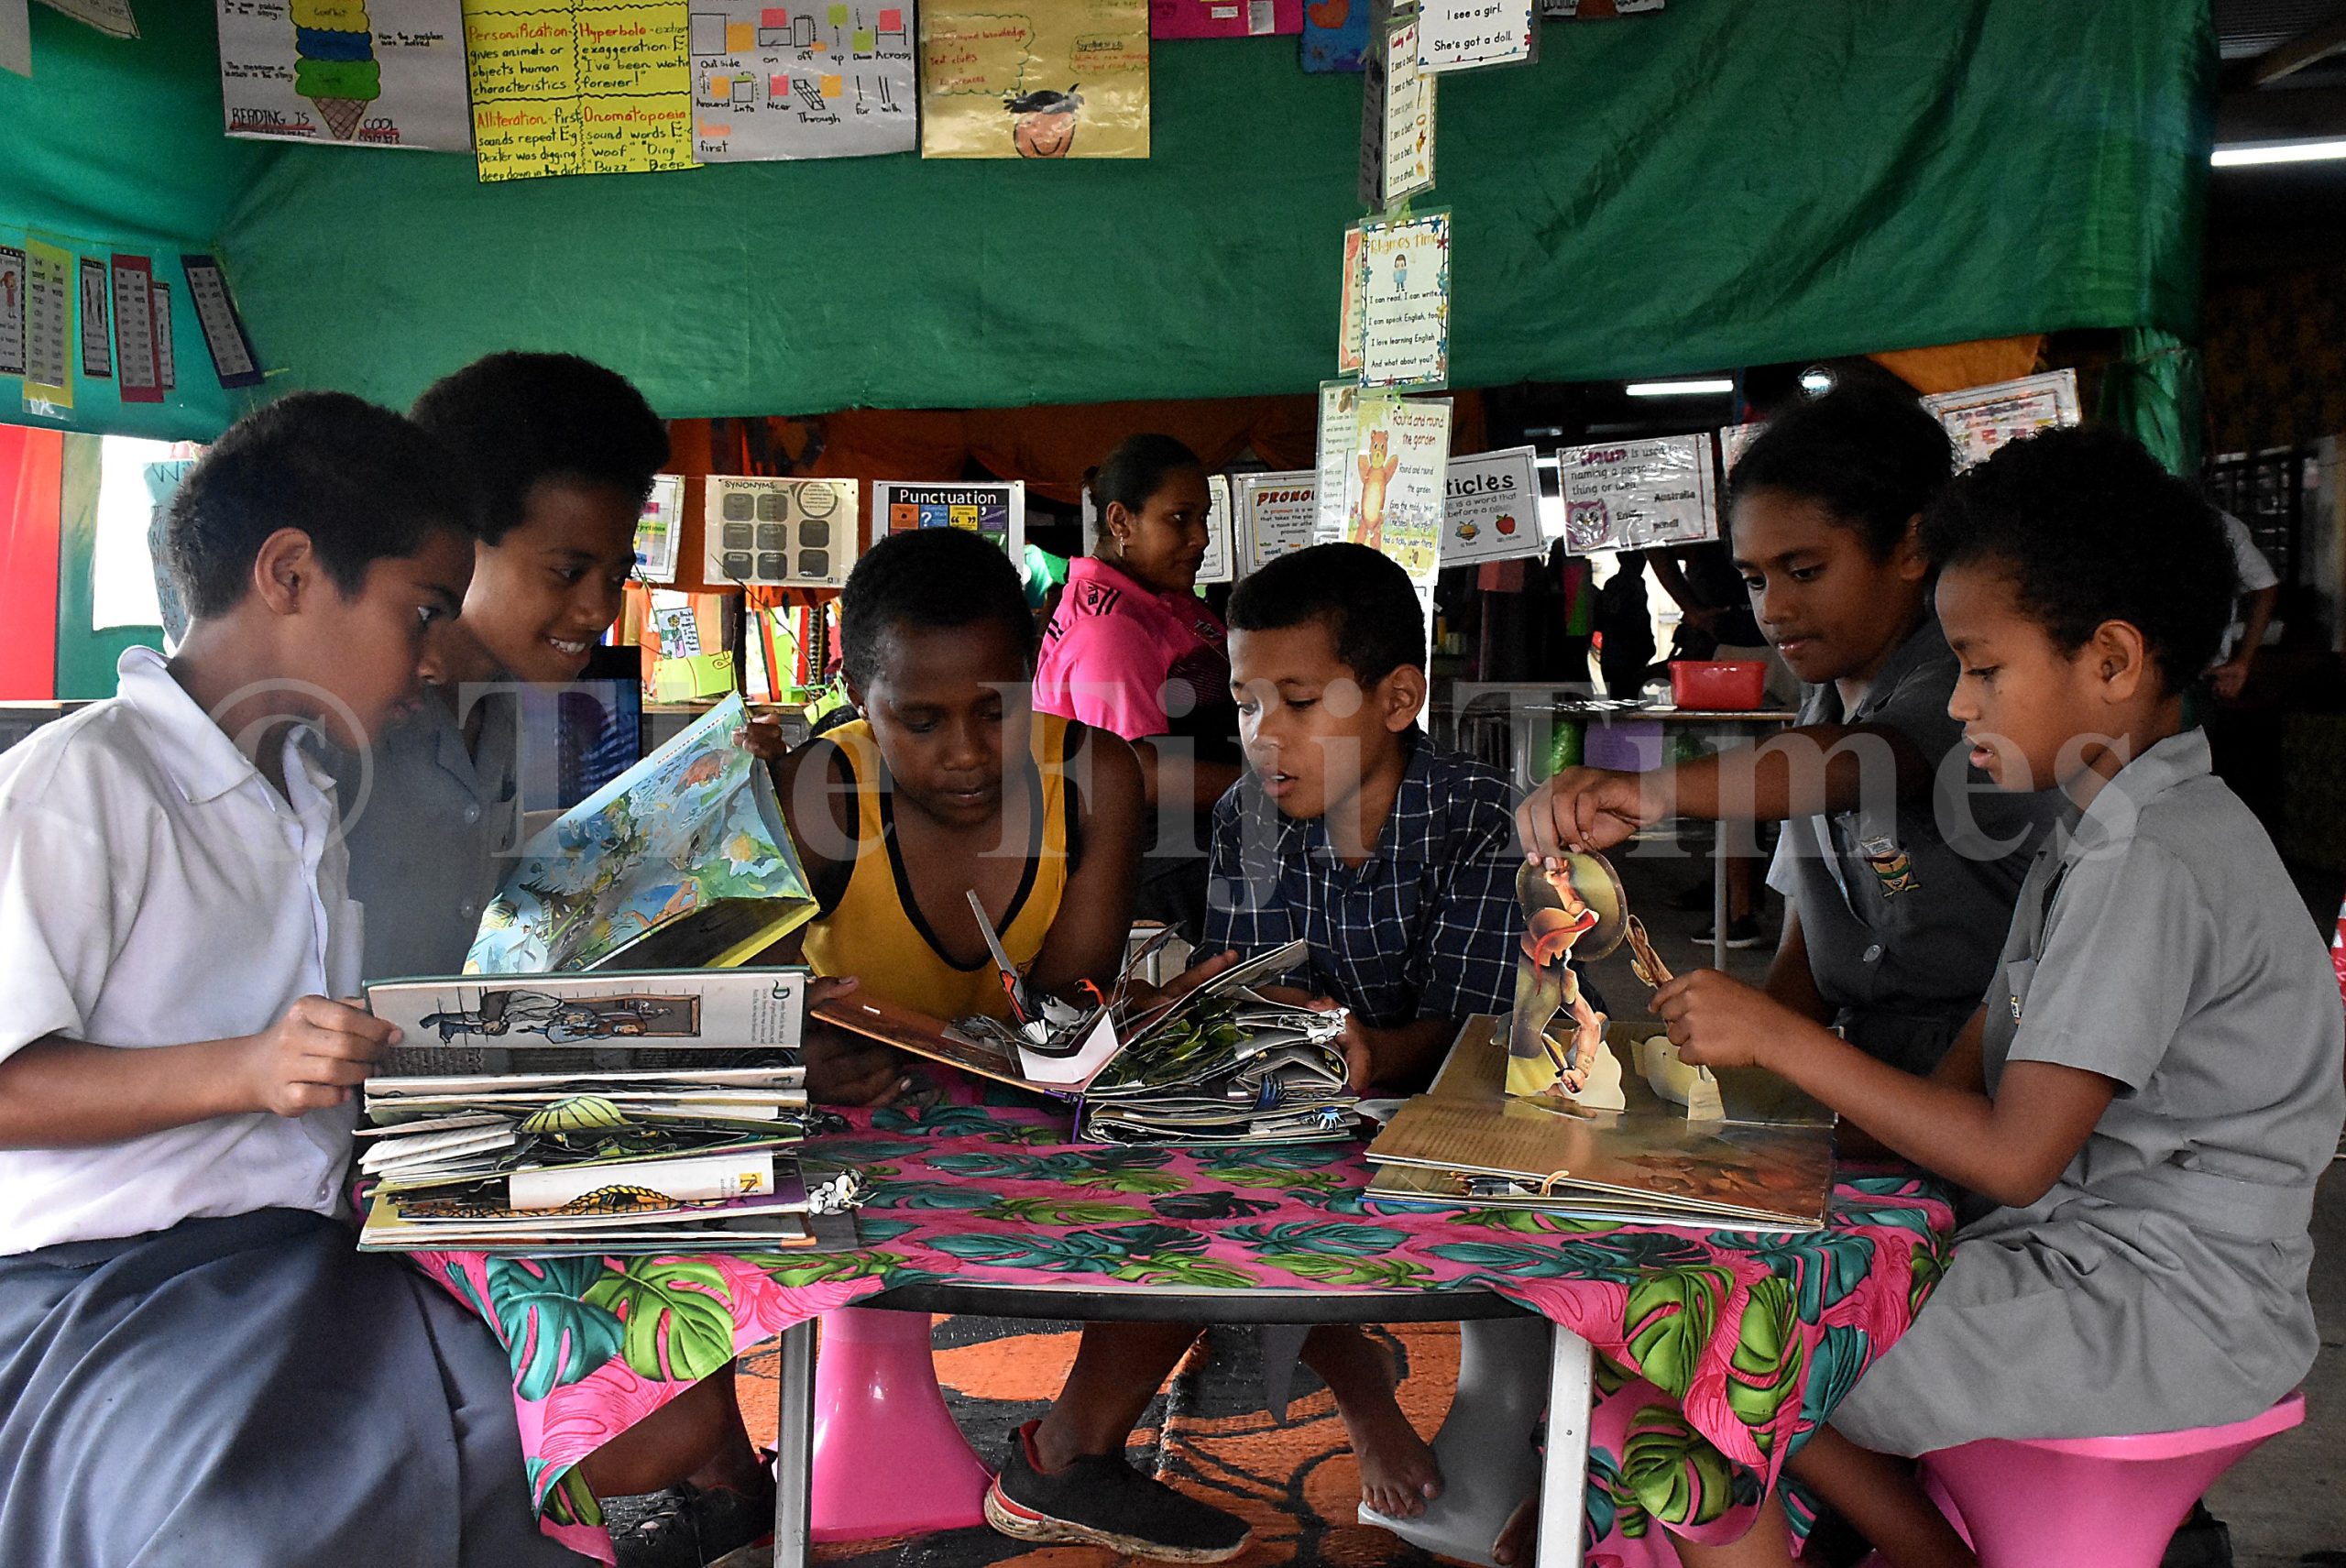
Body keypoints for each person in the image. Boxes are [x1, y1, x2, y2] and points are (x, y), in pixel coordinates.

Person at [1624, 424, 2345, 1568]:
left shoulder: (2147, 857)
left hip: (2154, 1312)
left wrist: (1775, 1039)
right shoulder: (2105, 830)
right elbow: (1968, 1082)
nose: (1957, 704)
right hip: (2090, 1264)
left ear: (2110, 661)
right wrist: (1762, 1156)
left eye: (1981, 667)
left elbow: (2012, 1158)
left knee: (1696, 1343)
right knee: (1709, 1289)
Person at [0, 393, 590, 1566]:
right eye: (421, 610)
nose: (434, 656)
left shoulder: (309, 793)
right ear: (287, 572)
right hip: (105, 1291)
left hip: (300, 1263)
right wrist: (253, 1069)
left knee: (552, 1432)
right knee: (253, 1530)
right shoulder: (85, 785)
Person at [325, 353, 786, 1568]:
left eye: (614, 572)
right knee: (654, 1408)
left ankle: (732, 1483)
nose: (596, 610)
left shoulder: (520, 725)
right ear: (452, 546)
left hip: (477, 1121)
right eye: (565, 570)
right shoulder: (344, 737)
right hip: (360, 1167)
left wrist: (723, 996)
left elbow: (523, 970)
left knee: (757, 1164)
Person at [988, 543, 1523, 1559]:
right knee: (1182, 1162)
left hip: (1466, 1109)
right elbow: (1252, 975)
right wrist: (1197, 1005)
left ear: (1399, 697)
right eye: (1243, 704)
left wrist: (1361, 1050)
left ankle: (1404, 1390)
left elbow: (1477, 1033)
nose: (1263, 736)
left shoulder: (1478, 815)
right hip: (1311, 1102)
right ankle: (1075, 1451)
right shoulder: (1248, 814)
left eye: (1299, 700)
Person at [1520, 387, 2061, 1078]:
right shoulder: (1821, 706)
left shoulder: (1960, 686)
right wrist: (1728, 1084)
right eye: (1753, 579)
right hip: (1860, 1075)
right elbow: (1808, 952)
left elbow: (1861, 761)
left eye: (1805, 571)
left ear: (1911, 547)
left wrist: (1650, 791)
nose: (1773, 609)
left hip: (1983, 1075)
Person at [1034, 435, 1244, 939]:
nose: (1201, 538)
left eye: (1205, 518)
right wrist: (1275, 786)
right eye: (1179, 518)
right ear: (1121, 522)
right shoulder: (1111, 628)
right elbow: (1136, 773)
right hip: (1147, 856)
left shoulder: (1163, 601)